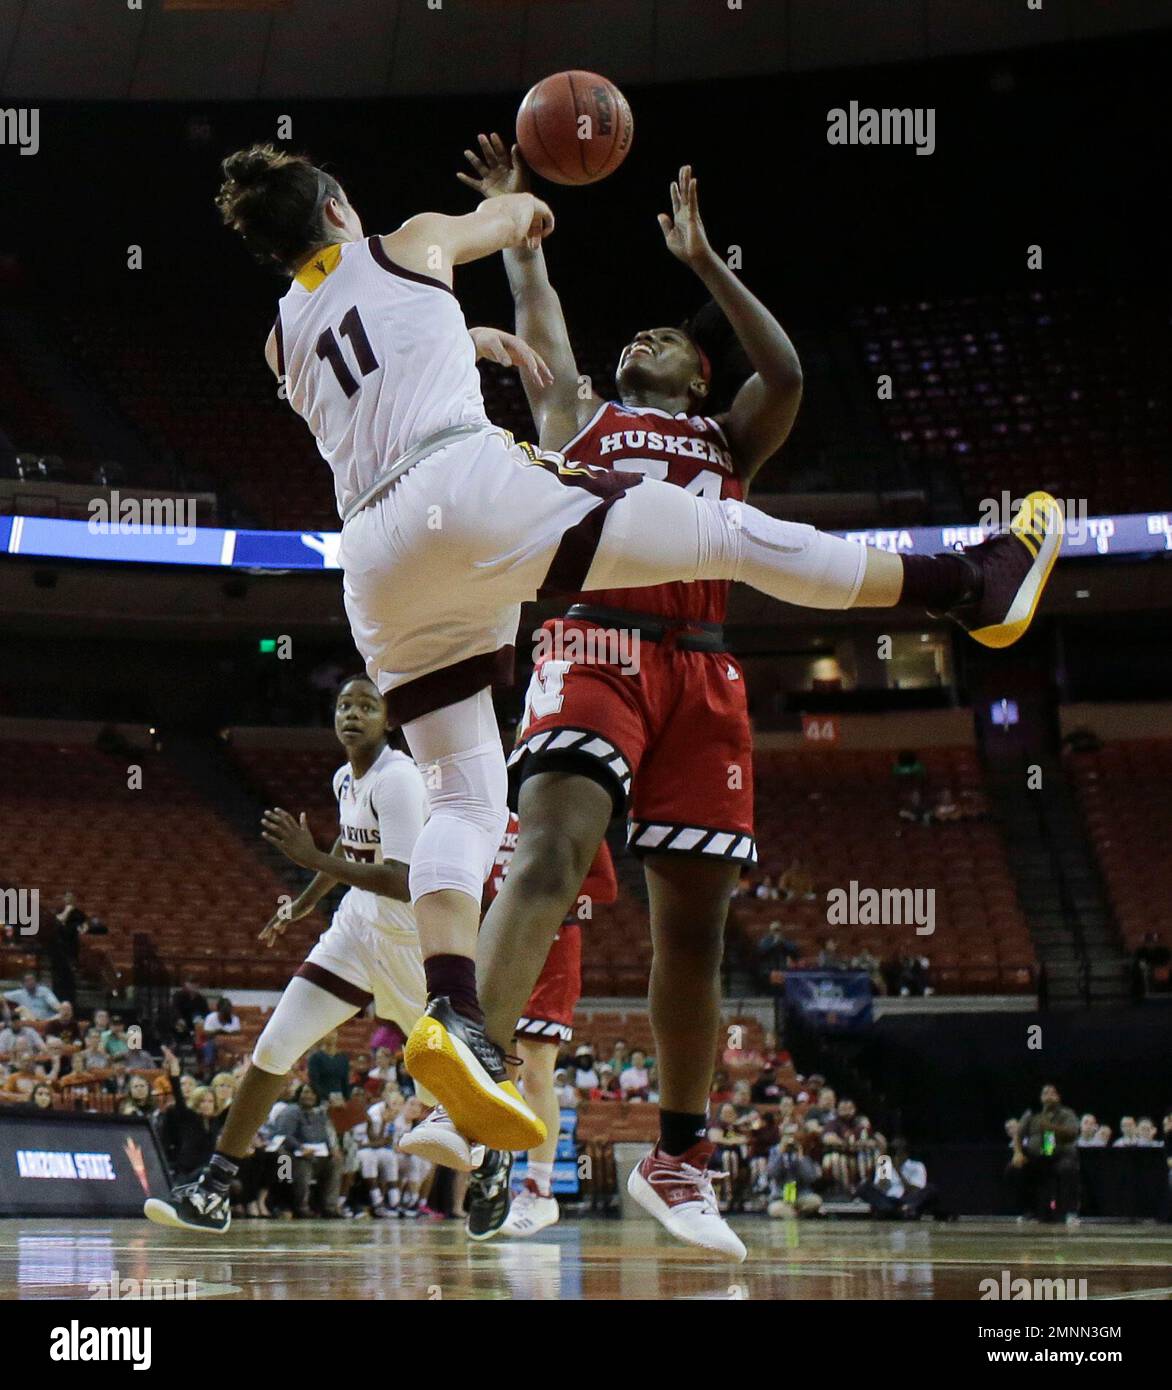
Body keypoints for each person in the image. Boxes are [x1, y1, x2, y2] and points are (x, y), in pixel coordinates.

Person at [215, 141, 1063, 1180]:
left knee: (461, 800)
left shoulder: (279, 339)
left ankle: (454, 1013)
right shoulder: (415, 243)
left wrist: (460, 330)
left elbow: (366, 351)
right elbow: (524, 225)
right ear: (342, 205)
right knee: (724, 537)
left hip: (377, 558)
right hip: (466, 491)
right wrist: (523, 208)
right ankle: (964, 584)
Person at [145, 676, 455, 1233]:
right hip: (356, 931)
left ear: (388, 720)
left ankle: (497, 1164)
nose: (352, 714)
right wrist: (304, 904)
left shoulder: (400, 780)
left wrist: (310, 856)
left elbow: (401, 880)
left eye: (366, 705)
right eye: (343, 705)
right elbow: (348, 842)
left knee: (444, 1086)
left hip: (410, 943)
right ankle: (215, 1188)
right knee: (274, 1044)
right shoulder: (346, 778)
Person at [460, 809, 617, 1240]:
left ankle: (541, 1190)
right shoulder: (487, 813)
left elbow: (605, 887)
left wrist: (544, 894)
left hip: (552, 945)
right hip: (499, 940)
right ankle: (499, 1181)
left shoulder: (575, 805)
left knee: (536, 1073)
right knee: (495, 1069)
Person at [1010, 1083, 1081, 1223]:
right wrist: (1017, 1153)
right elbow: (1018, 1134)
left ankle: (1069, 1213)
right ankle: (1029, 1211)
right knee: (1014, 1169)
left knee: (1067, 1168)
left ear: (1058, 1097)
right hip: (1036, 1155)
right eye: (1045, 1093)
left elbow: (1072, 1133)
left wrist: (1051, 1127)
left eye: (1052, 1093)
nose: (1048, 1096)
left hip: (1060, 1154)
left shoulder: (1067, 1113)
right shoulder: (1032, 1114)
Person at [275, 1082, 344, 1218]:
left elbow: (325, 1136)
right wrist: (301, 1148)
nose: (309, 1096)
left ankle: (330, 1207)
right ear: (299, 1094)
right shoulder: (291, 1111)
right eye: (305, 1092)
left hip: (319, 1153)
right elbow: (284, 1135)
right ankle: (302, 1206)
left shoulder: (319, 1114)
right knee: (303, 1163)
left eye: (312, 1093)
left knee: (335, 1163)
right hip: (294, 1154)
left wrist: (332, 1149)